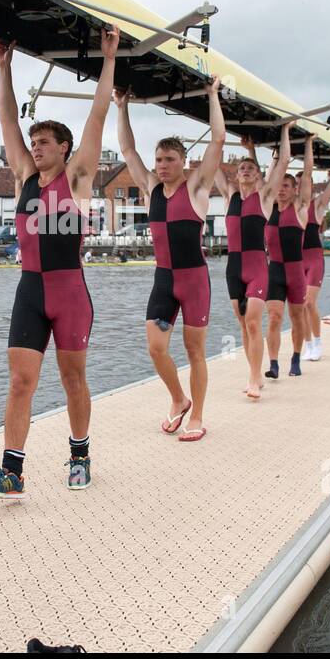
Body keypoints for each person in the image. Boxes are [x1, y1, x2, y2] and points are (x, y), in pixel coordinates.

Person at [0, 27, 117, 498]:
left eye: (44, 142)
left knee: (72, 377)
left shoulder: (77, 179)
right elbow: (4, 120)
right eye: (33, 141)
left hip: (70, 292)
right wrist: (4, 67)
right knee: (20, 381)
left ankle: (80, 455)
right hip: (30, 291)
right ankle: (12, 472)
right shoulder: (23, 178)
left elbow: (97, 116)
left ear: (64, 148)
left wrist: (109, 59)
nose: (34, 147)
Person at [114, 74, 224, 441]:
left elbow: (218, 140)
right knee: (156, 348)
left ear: (183, 160)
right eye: (159, 159)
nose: (161, 165)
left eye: (169, 159)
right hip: (163, 280)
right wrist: (122, 105)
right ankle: (179, 400)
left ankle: (198, 418)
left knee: (195, 352)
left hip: (194, 281)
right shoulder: (150, 188)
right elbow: (128, 150)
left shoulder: (197, 187)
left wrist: (212, 95)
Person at [214, 124, 291, 398]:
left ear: (258, 175)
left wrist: (285, 131)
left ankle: (255, 377)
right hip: (233, 268)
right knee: (243, 324)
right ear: (236, 175)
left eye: (250, 168)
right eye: (241, 169)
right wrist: (218, 137)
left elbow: (282, 161)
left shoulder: (266, 197)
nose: (245, 171)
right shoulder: (228, 196)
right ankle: (254, 372)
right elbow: (213, 161)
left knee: (254, 323)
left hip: (258, 266)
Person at [263, 130, 313, 378]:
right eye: (279, 185)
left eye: (286, 186)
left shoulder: (301, 210)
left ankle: (295, 358)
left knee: (297, 316)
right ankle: (273, 364)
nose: (281, 189)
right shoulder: (268, 208)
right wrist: (264, 153)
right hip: (274, 270)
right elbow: (267, 178)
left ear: (295, 190)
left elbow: (309, 175)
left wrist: (308, 144)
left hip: (295, 271)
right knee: (274, 316)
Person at [300, 144, 330, 363]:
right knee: (299, 306)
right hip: (296, 260)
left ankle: (317, 341)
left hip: (314, 258)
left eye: (303, 184)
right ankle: (308, 345)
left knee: (309, 303)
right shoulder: (288, 205)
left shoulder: (317, 206)